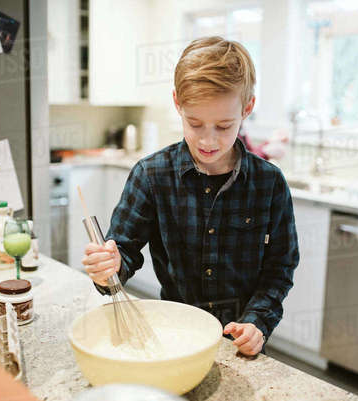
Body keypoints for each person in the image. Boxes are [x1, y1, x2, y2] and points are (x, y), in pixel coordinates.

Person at [82, 36, 299, 356]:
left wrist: (257, 322)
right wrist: (109, 267)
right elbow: (122, 254)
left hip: (241, 343)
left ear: (247, 108)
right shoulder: (152, 175)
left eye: (224, 126)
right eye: (195, 123)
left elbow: (280, 267)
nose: (208, 140)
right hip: (174, 339)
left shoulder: (269, 183)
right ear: (177, 103)